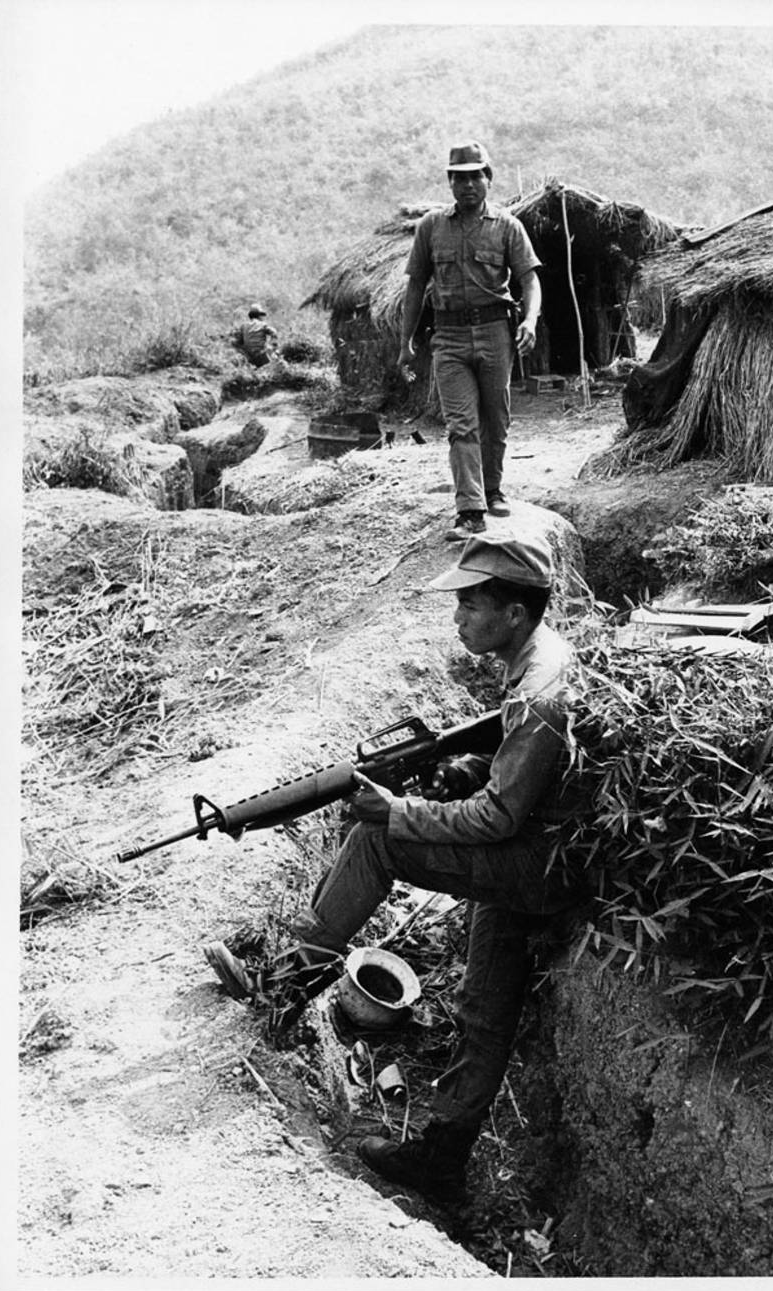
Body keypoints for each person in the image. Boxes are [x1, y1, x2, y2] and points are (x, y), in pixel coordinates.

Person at [203, 533, 585, 1202]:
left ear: (518, 612)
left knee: (379, 839)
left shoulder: (538, 693)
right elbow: (515, 778)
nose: (458, 617)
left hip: (536, 863)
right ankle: (441, 1158)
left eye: (471, 603)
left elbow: (496, 818)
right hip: (547, 853)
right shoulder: (535, 658)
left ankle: (284, 981)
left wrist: (398, 808)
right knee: (486, 1005)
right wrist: (459, 769)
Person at [397, 142, 542, 543]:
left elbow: (529, 279)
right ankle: (471, 510)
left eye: (475, 176)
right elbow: (414, 287)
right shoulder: (431, 227)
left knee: (496, 418)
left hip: (496, 331)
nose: (467, 185)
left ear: (488, 179)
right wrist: (405, 342)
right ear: (450, 182)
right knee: (462, 424)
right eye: (459, 178)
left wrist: (530, 319)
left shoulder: (508, 226)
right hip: (449, 337)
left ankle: (492, 489)